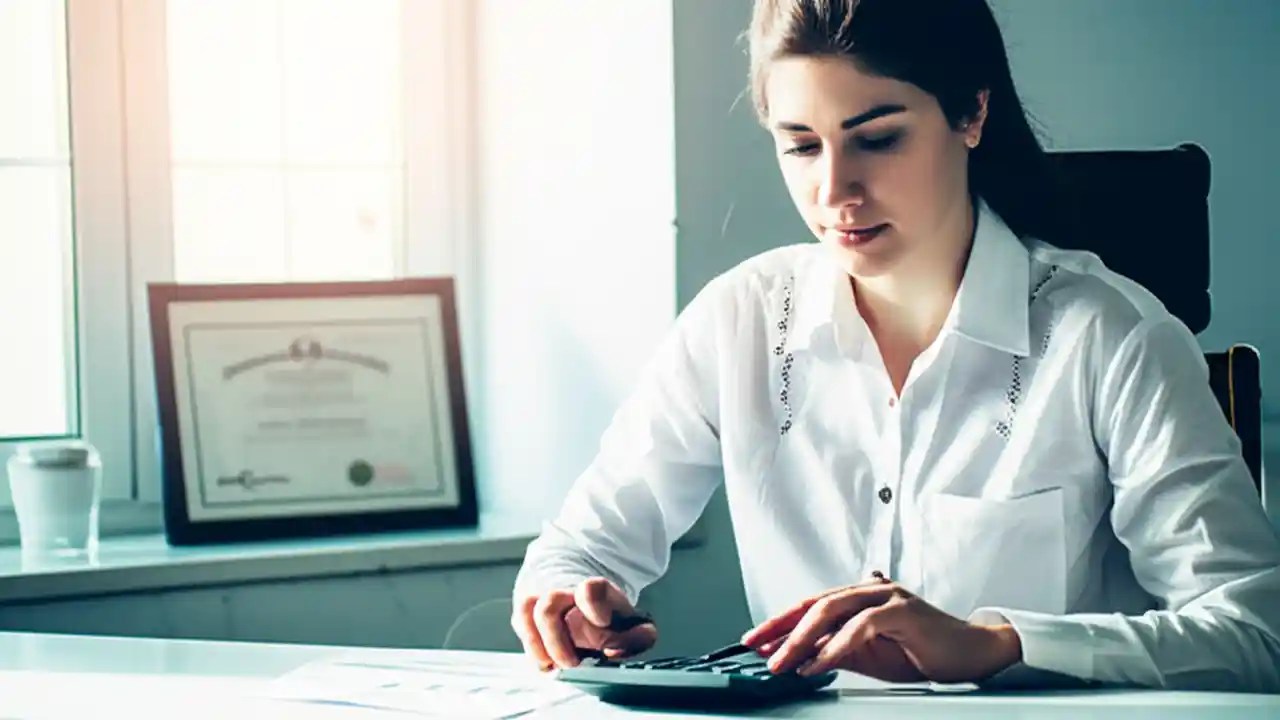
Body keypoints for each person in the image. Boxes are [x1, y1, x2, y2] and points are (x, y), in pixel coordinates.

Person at [510, 0, 1280, 691]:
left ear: (972, 112)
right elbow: (577, 551)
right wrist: (569, 600)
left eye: (876, 139)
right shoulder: (738, 320)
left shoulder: (1111, 338)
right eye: (802, 146)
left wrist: (994, 645)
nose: (836, 191)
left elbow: (1257, 635)